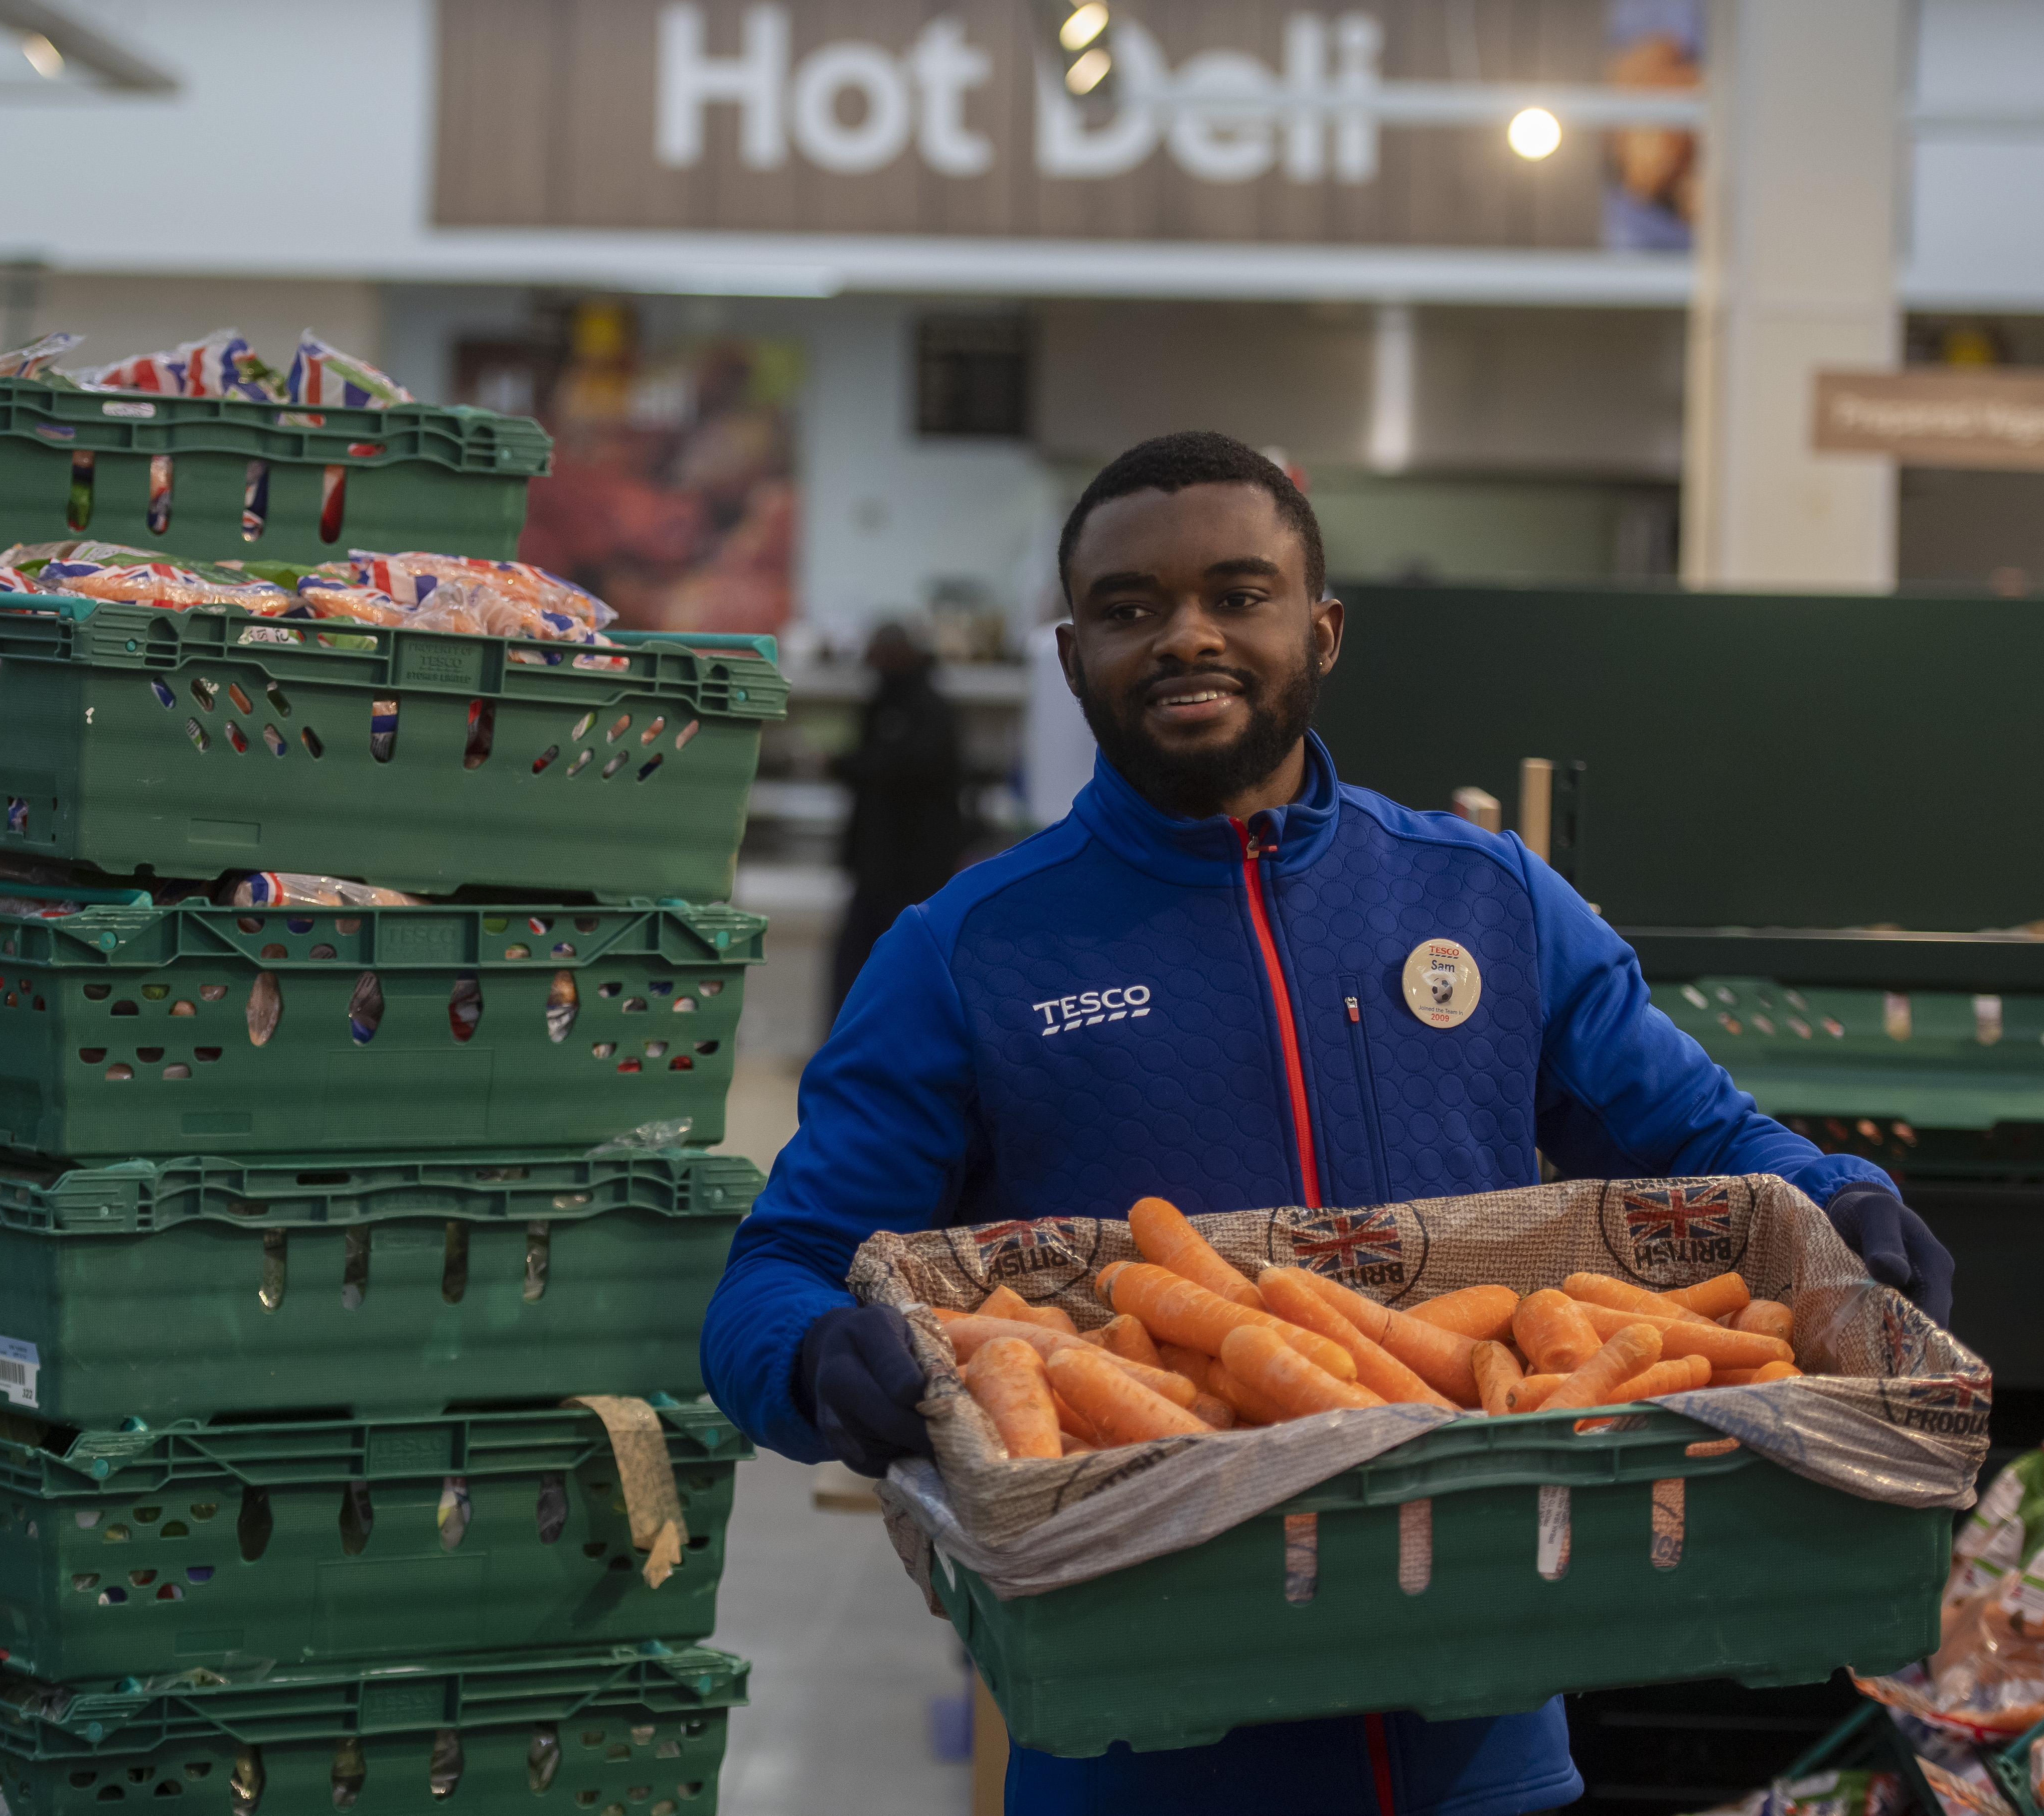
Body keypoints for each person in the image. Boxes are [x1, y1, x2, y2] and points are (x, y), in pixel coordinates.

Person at [701, 431, 1951, 1816]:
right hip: (1140, 1752)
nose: (1185, 636)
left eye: (1237, 594)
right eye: (1128, 607)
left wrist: (1835, 1195)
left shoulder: (1485, 901)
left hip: (1482, 1742)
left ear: (1322, 629)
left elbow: (1703, 1142)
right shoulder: (967, 952)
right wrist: (812, 1355)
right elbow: (776, 1269)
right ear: (1070, 655)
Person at [826, 620, 968, 1027]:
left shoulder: (928, 709)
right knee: (859, 964)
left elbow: (904, 769)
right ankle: (848, 1041)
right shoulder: (888, 704)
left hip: (914, 868)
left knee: (894, 967)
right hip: (878, 867)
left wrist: (844, 765)